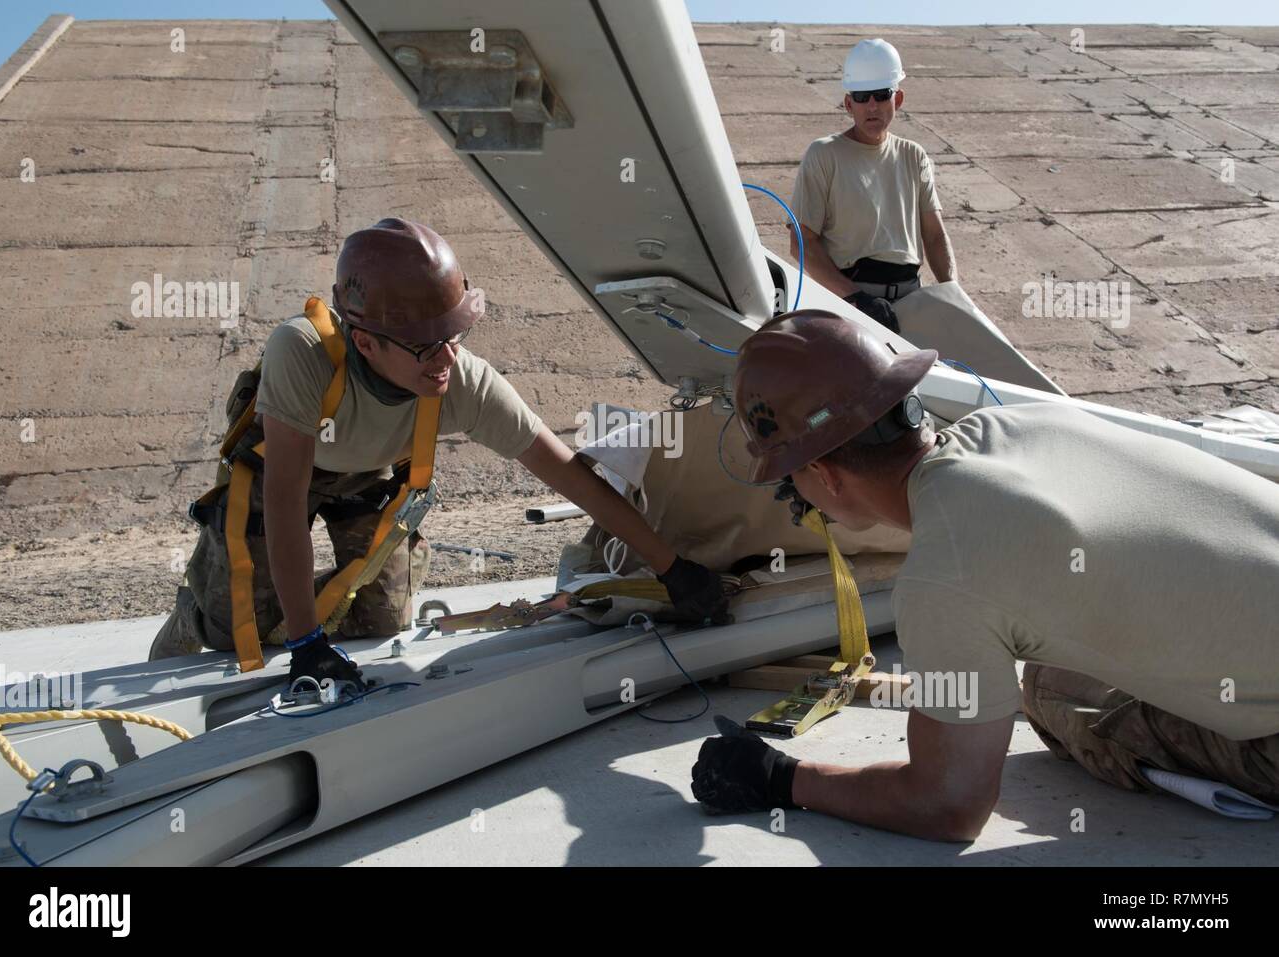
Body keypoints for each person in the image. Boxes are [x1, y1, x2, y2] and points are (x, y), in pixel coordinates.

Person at [691, 309, 1279, 841]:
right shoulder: (1030, 425)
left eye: (791, 475)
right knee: (1058, 659)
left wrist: (782, 778)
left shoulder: (945, 580)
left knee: (1055, 698)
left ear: (825, 473)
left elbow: (948, 807)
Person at [151, 218, 727, 686]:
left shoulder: (462, 381)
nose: (446, 360)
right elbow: (285, 501)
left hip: (367, 472)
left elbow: (571, 477)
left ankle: (292, 598)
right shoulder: (301, 355)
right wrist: (305, 644)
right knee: (233, 628)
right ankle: (202, 609)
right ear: (367, 342)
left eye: (456, 337)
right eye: (428, 346)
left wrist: (671, 567)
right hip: (287, 463)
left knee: (382, 619)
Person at [790, 39, 957, 333]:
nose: (871, 106)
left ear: (898, 99)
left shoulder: (913, 155)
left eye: (881, 95)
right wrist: (856, 298)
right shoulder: (824, 155)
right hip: (851, 306)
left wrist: (953, 292)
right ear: (848, 103)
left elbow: (934, 236)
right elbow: (802, 244)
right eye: (862, 96)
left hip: (911, 301)